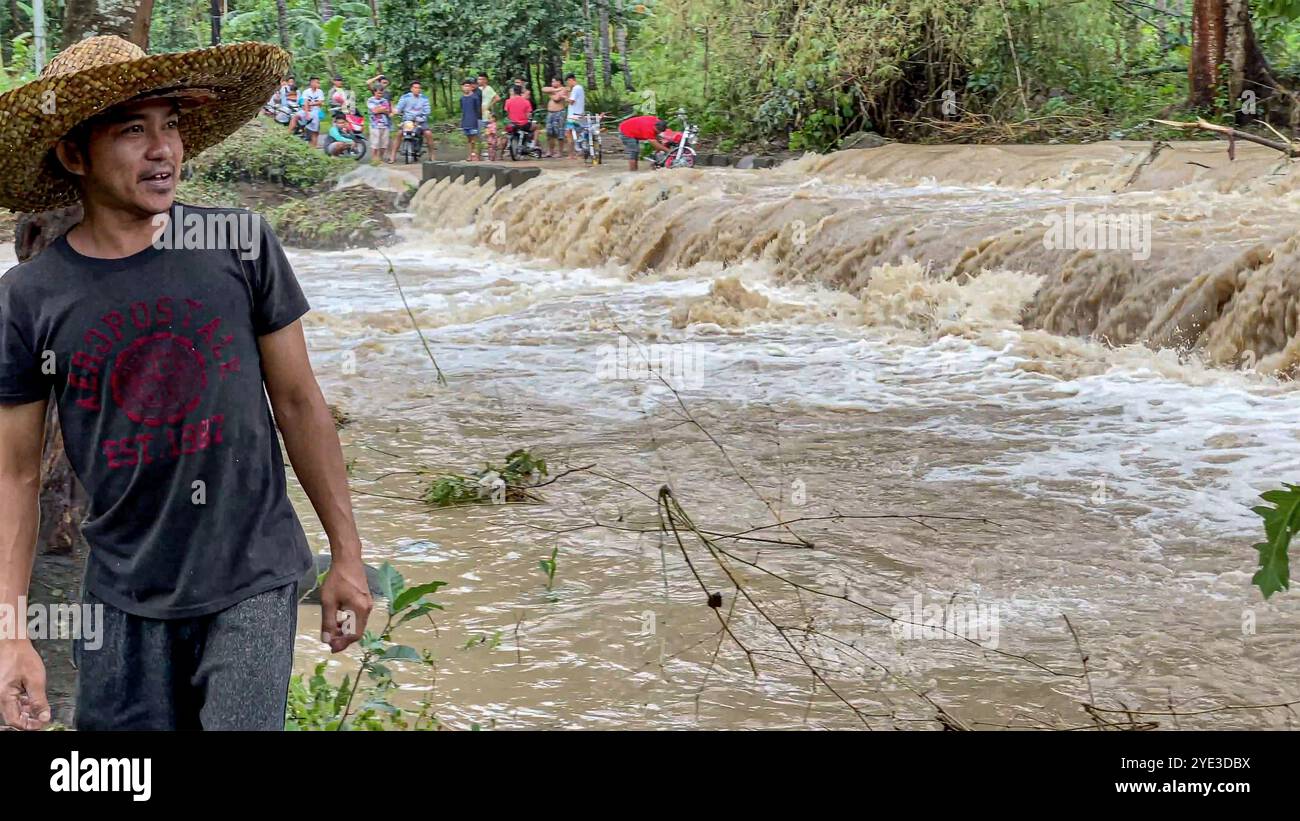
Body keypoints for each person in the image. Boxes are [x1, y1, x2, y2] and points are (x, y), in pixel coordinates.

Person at [0, 35, 373, 731]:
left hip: (251, 577)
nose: (163, 149)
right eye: (132, 130)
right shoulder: (29, 298)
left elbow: (298, 402)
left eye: (170, 124)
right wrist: (11, 632)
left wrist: (347, 556)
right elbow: (15, 475)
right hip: (121, 592)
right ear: (74, 154)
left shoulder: (240, 245)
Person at [389, 80, 435, 162]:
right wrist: (394, 111)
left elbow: (427, 111)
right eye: (415, 88)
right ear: (411, 89)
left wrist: (420, 119)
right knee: (399, 133)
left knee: (428, 134)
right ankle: (393, 156)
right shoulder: (405, 97)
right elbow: (398, 108)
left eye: (419, 88)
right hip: (408, 120)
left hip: (421, 120)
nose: (417, 89)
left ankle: (432, 155)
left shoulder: (424, 98)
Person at [291, 75, 324, 147]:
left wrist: (312, 103)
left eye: (319, 83)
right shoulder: (306, 92)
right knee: (295, 116)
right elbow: (305, 103)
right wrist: (306, 113)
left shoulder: (320, 92)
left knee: (315, 133)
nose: (318, 84)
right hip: (306, 111)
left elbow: (321, 102)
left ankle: (313, 148)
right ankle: (288, 133)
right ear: (312, 83)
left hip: (316, 112)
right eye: (317, 82)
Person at [540, 76, 568, 158]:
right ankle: (550, 151)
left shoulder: (564, 89)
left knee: (559, 133)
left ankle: (560, 152)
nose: (552, 83)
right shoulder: (554, 89)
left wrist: (551, 93)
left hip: (559, 112)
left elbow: (556, 98)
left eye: (554, 82)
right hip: (550, 113)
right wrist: (555, 90)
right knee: (549, 133)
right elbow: (543, 89)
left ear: (559, 82)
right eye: (552, 82)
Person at [503, 84, 534, 150]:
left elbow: (507, 112)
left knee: (507, 131)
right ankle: (530, 143)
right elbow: (529, 114)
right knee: (534, 126)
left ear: (513, 92)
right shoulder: (526, 102)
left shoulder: (508, 101)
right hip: (523, 124)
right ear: (521, 92)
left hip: (512, 123)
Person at [366, 85, 392, 164]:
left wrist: (380, 109)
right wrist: (382, 109)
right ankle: (374, 158)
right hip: (375, 124)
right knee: (375, 142)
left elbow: (388, 111)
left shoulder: (385, 100)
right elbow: (374, 111)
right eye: (378, 93)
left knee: (384, 143)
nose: (379, 95)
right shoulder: (370, 100)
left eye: (381, 93)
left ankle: (380, 158)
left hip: (385, 124)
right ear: (374, 92)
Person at [564, 73, 586, 159]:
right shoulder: (580, 88)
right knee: (577, 134)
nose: (568, 85)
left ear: (571, 80)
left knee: (569, 134)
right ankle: (579, 151)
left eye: (568, 82)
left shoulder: (576, 88)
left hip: (573, 116)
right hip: (579, 114)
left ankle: (571, 154)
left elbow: (571, 101)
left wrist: (564, 97)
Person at [459, 79, 481, 161]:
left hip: (473, 121)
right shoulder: (462, 98)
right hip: (465, 121)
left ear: (471, 87)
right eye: (465, 86)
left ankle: (475, 154)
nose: (466, 88)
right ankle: (470, 154)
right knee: (468, 140)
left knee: (474, 140)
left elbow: (477, 109)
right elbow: (462, 110)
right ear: (462, 87)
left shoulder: (475, 97)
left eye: (468, 86)